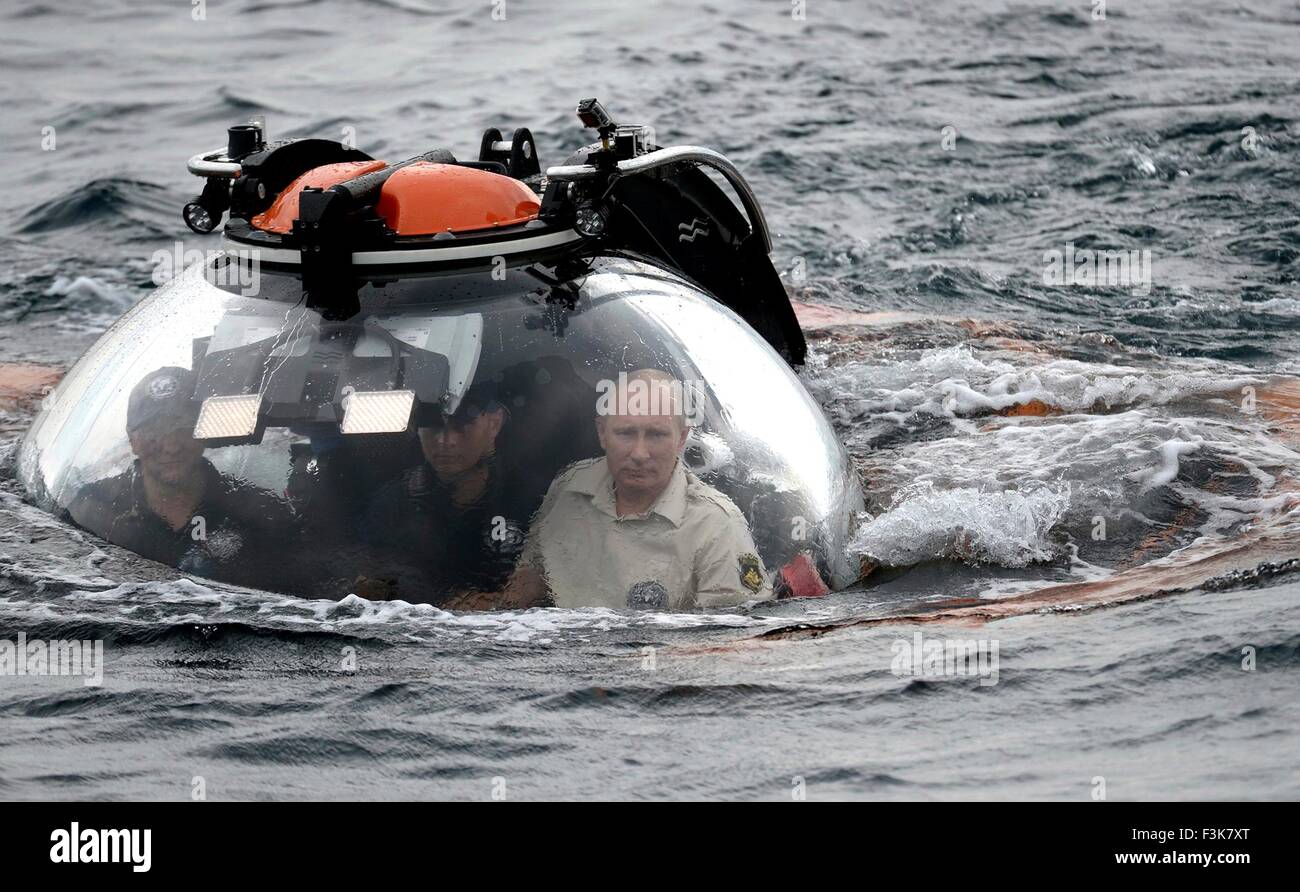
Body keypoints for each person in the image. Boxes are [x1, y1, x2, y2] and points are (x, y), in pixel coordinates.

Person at [448, 368, 773, 611]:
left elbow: (735, 644)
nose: (640, 453)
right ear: (602, 433)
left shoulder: (716, 526)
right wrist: (479, 614)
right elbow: (530, 581)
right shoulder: (571, 487)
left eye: (656, 435)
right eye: (626, 433)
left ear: (682, 438)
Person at [67, 367, 297, 589]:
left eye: (183, 428)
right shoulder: (92, 510)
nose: (171, 446)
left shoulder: (261, 515)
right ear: (132, 439)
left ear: (205, 432)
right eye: (154, 432)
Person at [354, 382, 531, 603]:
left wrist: (500, 603)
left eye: (462, 423)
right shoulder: (395, 502)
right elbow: (367, 590)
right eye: (433, 425)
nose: (445, 440)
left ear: (494, 424)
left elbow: (553, 582)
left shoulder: (530, 500)